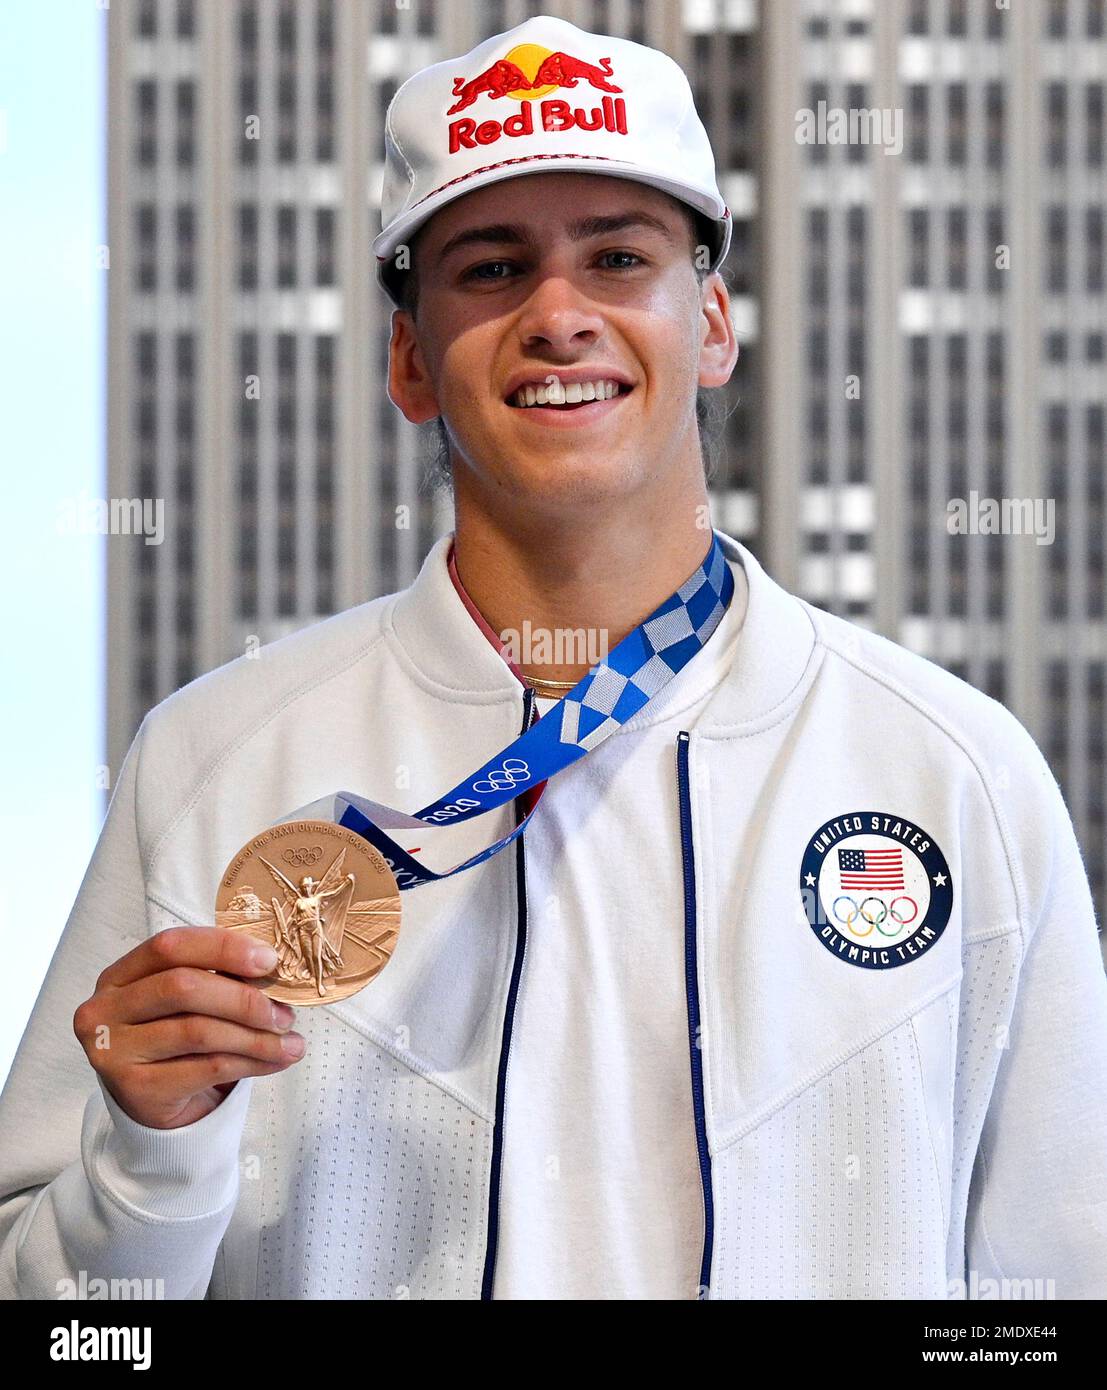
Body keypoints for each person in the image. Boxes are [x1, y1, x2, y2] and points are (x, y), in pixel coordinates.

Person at [1, 13, 1104, 1302]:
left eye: (619, 257)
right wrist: (148, 1162)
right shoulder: (215, 757)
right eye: (490, 268)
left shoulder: (952, 767)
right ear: (411, 357)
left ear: (713, 324)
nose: (559, 316)